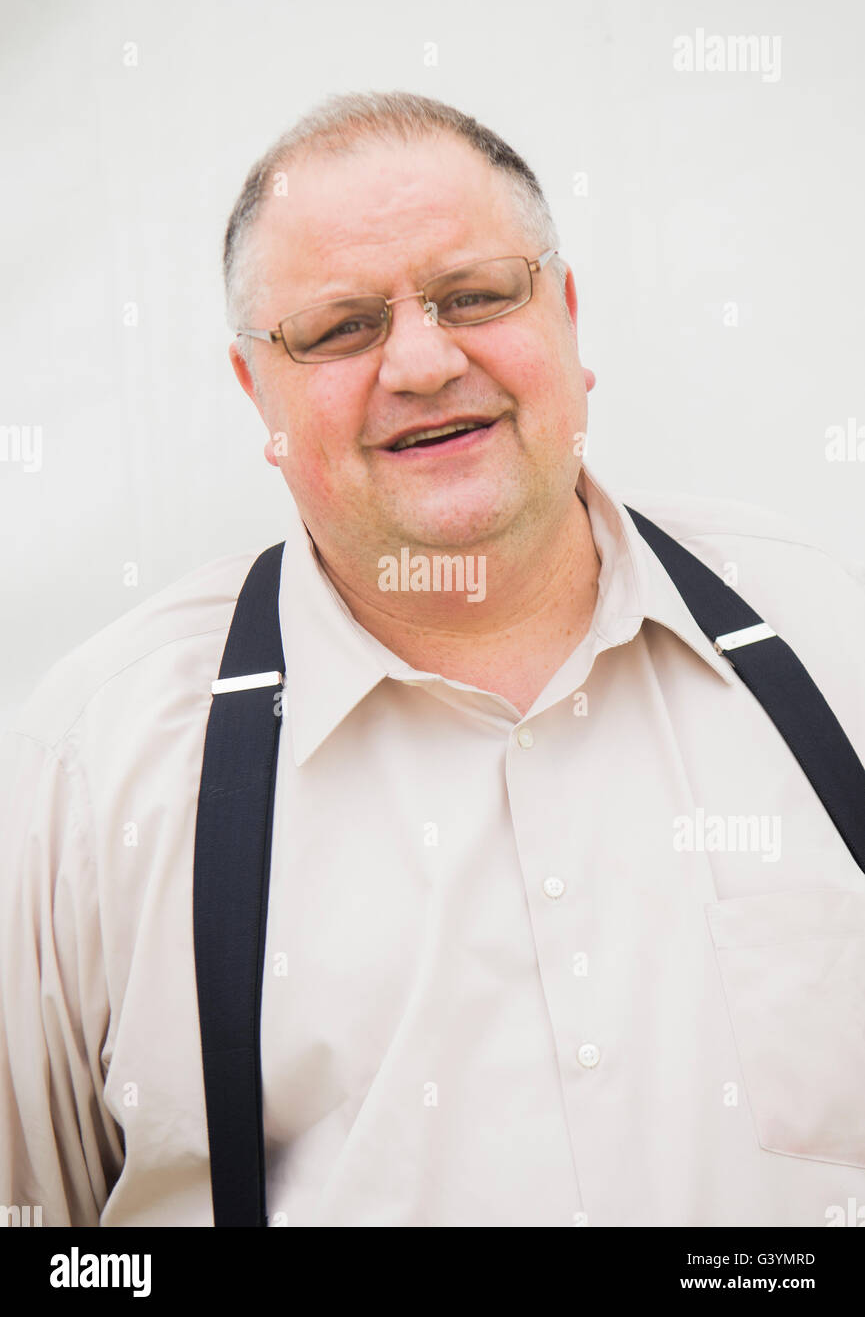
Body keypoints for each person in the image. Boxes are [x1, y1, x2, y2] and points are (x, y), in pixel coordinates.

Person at [1, 90, 864, 1229]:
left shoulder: (830, 630)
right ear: (255, 388)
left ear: (562, 311)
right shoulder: (87, 771)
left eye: (474, 295)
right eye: (341, 326)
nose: (419, 360)